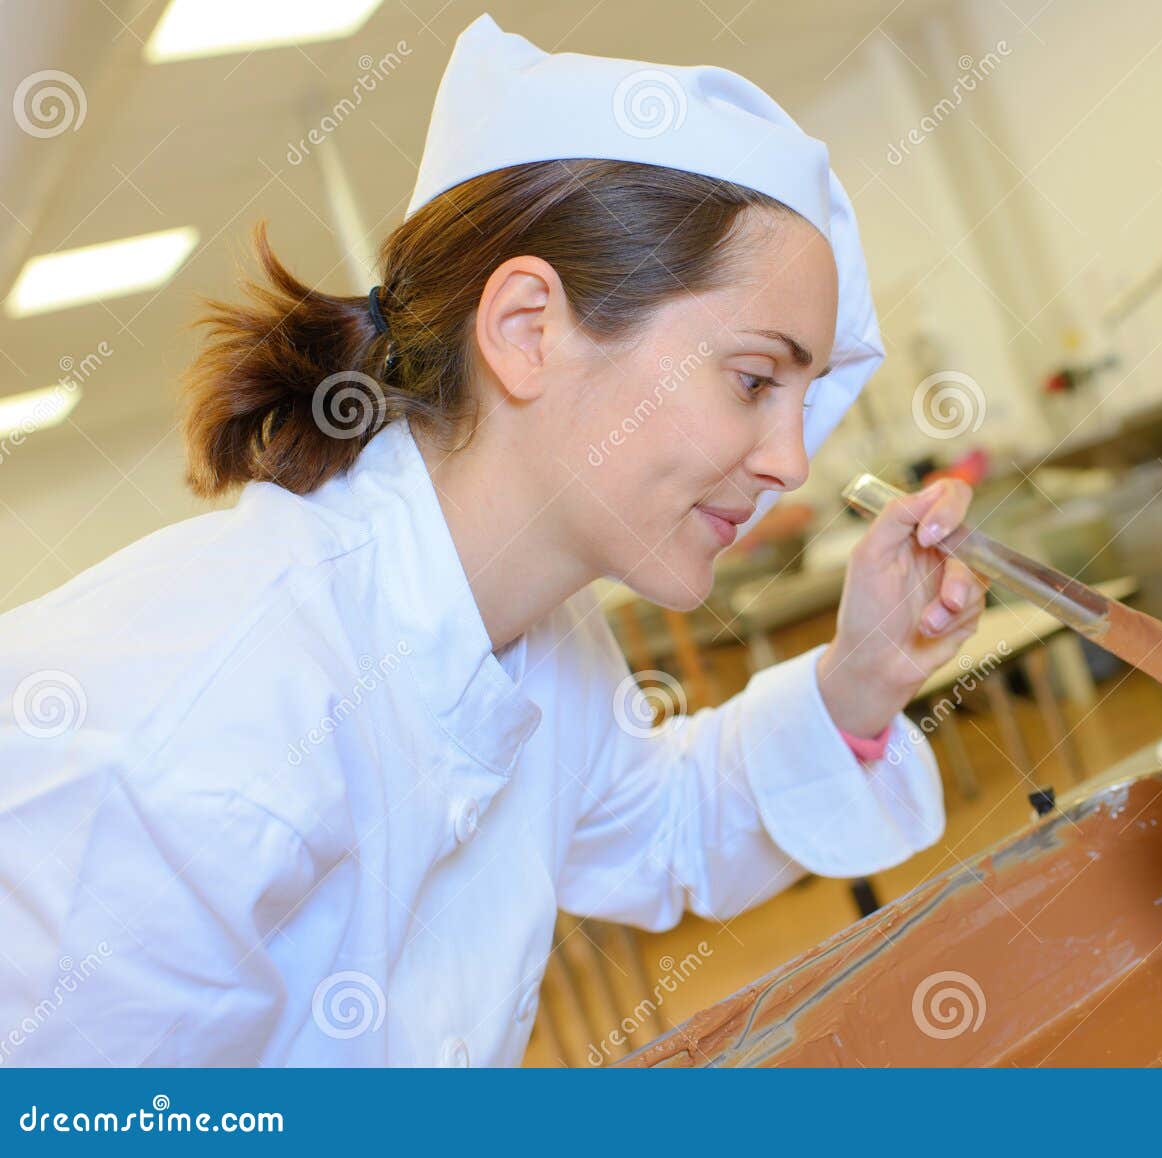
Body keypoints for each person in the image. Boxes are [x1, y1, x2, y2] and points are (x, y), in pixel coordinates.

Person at [0, 13, 985, 1066]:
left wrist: (858, 679)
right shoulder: (199, 728)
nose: (791, 461)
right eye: (753, 380)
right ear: (528, 331)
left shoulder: (531, 637)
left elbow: (658, 828)